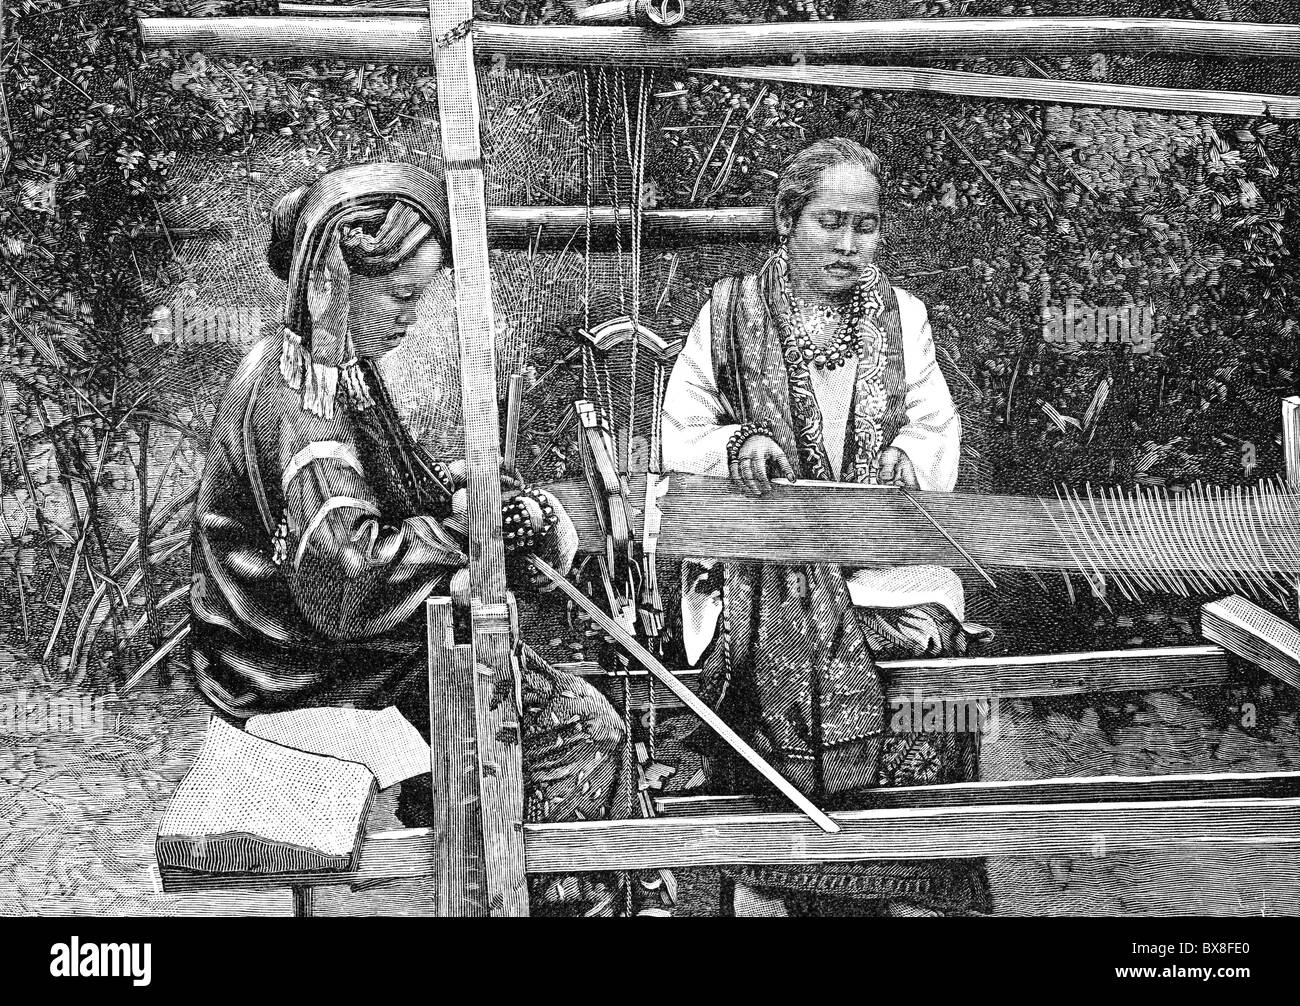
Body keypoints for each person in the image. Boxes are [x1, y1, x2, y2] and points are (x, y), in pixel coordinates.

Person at [189, 162, 639, 916]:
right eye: (400, 294)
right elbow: (348, 578)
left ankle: (494, 879)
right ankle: (547, 897)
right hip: (296, 674)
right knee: (582, 730)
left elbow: (383, 496)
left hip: (312, 652)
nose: (409, 317)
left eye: (418, 297)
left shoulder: (332, 371)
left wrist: (452, 486)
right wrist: (459, 532)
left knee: (523, 688)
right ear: (336, 272)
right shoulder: (297, 404)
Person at [661, 138, 991, 916]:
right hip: (762, 563)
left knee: (926, 631)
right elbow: (680, 430)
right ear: (788, 221)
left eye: (866, 226)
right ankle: (783, 879)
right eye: (830, 222)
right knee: (766, 641)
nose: (849, 246)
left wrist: (911, 455)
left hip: (874, 566)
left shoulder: (902, 317)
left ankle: (901, 875)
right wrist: (738, 445)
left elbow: (935, 425)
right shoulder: (731, 312)